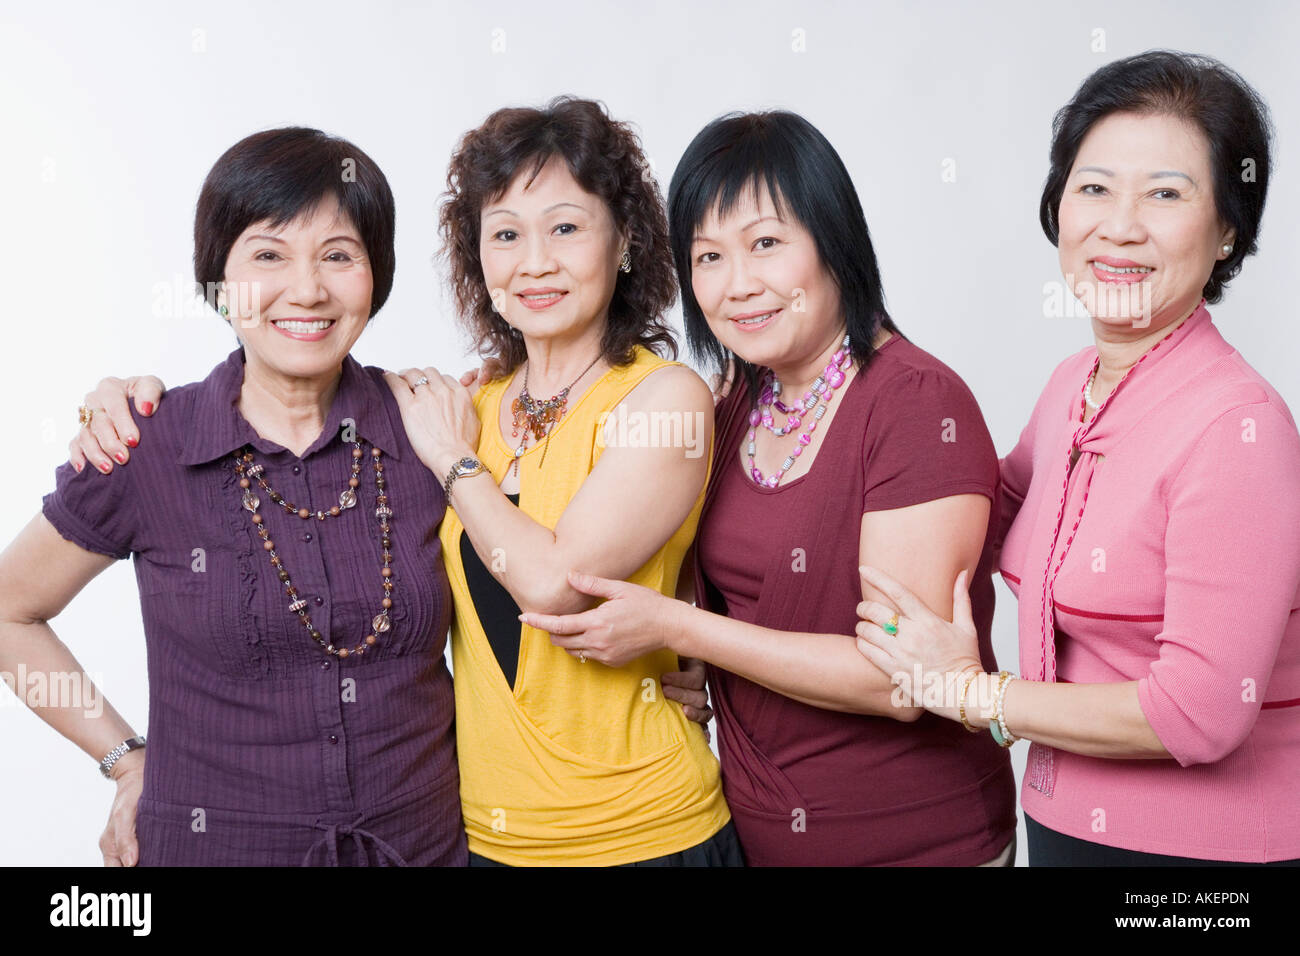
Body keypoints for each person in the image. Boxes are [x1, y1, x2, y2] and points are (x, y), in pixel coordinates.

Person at [67, 99, 734, 867]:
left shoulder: (654, 400)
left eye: (567, 227)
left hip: (641, 833)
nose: (536, 261)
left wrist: (692, 638)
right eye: (506, 234)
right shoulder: (470, 404)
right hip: (485, 842)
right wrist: (127, 762)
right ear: (476, 256)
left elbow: (555, 586)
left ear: (624, 244)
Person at [521, 110, 1018, 866]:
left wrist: (682, 633)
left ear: (833, 242)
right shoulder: (735, 400)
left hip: (912, 840)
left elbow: (903, 680)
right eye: (709, 256)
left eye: (767, 244)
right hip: (751, 832)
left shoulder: (917, 404)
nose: (738, 285)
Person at [855, 50, 1300, 866]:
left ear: (1229, 228)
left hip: (1203, 864)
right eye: (1094, 188)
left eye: (1166, 193)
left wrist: (976, 695)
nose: (1120, 224)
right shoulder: (1073, 386)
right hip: (1061, 827)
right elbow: (976, 516)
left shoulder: (1241, 428)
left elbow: (1199, 712)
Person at [2, 127, 467, 865]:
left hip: (424, 848)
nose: (307, 290)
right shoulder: (145, 445)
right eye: (268, 255)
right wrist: (125, 759)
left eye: (339, 255)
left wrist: (678, 662)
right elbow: (8, 611)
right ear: (219, 280)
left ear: (376, 273)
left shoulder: (432, 429)